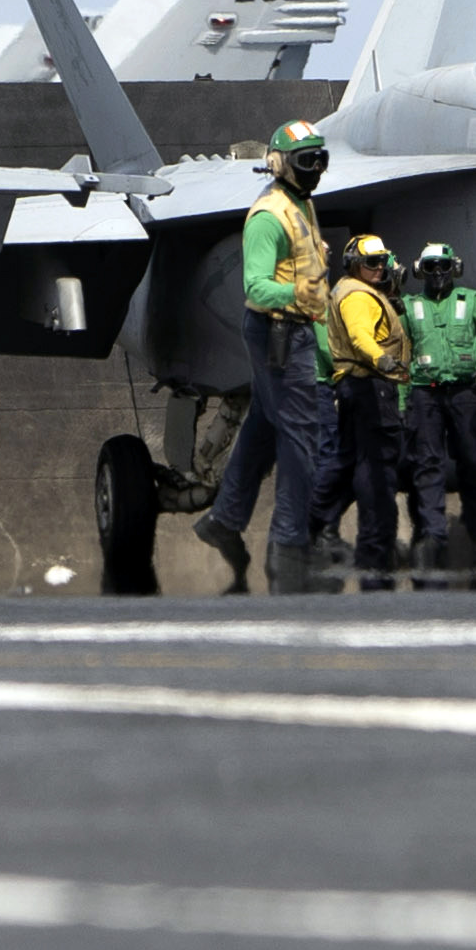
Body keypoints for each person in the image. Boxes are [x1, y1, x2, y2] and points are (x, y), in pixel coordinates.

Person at [192, 122, 341, 595]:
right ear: (279, 164)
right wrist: (300, 290)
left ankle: (226, 517)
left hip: (295, 328)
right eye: (306, 162)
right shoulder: (267, 216)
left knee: (264, 423)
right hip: (278, 333)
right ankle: (289, 546)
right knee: (301, 438)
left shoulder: (301, 203)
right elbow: (255, 287)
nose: (315, 171)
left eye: (321, 160)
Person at [400, 243, 476, 568]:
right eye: (430, 268)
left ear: (453, 268)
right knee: (428, 463)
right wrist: (404, 401)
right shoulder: (410, 307)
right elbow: (401, 354)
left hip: (464, 393)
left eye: (443, 267)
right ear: (421, 271)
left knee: (474, 460)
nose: (438, 274)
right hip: (424, 394)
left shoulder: (471, 302)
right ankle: (433, 534)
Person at [326, 237, 416, 581]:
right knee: (371, 470)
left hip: (388, 396)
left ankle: (378, 547)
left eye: (385, 266)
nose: (381, 273)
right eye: (373, 265)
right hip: (370, 393)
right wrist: (380, 360)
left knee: (375, 468)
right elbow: (359, 342)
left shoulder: (389, 309)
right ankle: (369, 550)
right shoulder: (355, 299)